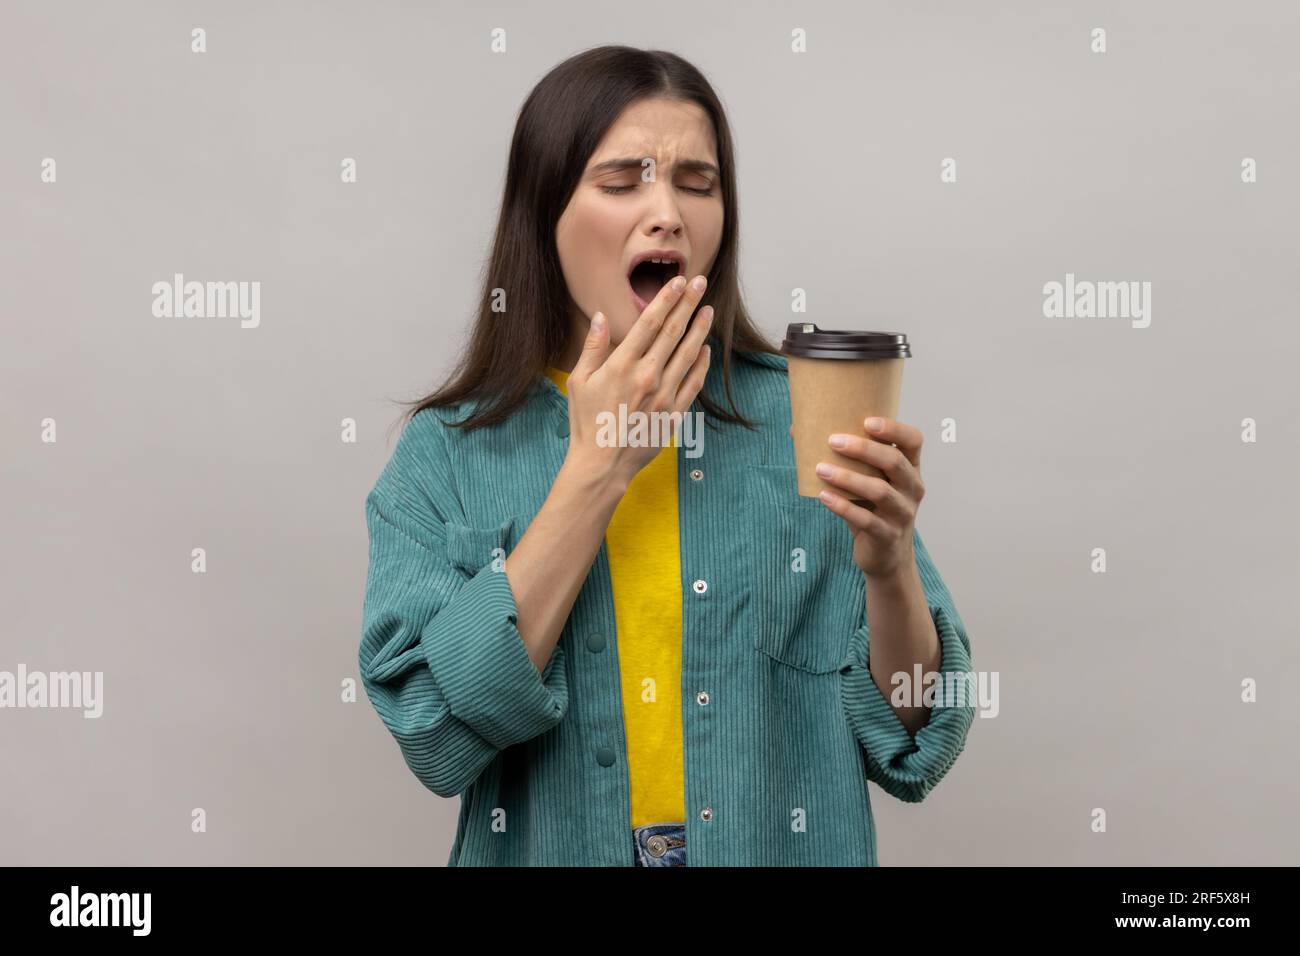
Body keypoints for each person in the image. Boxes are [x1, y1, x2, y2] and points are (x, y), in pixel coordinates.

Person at [358, 45, 975, 867]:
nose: (668, 214)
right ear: (546, 214)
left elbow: (916, 740)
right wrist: (598, 469)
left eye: (697, 183)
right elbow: (433, 732)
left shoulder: (805, 414)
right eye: (623, 182)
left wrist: (890, 566)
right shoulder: (446, 454)